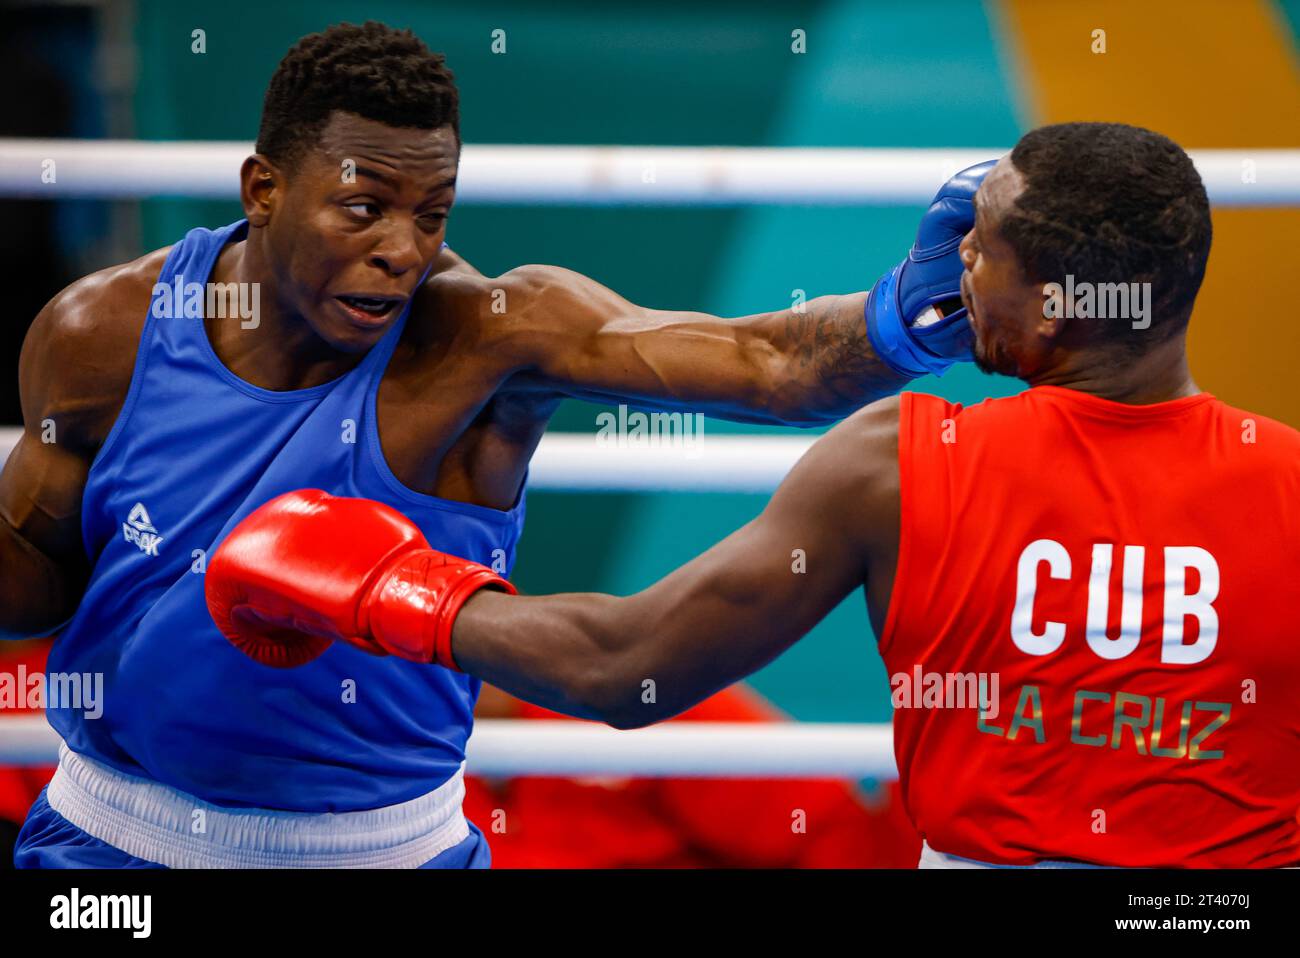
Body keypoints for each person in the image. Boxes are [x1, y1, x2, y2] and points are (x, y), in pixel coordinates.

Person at [0, 21, 984, 868]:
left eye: (431, 215)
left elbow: (764, 362)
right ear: (263, 188)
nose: (402, 249)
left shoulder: (486, 337)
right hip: (107, 845)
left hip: (385, 846)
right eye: (362, 207)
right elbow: (34, 587)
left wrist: (908, 313)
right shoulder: (103, 331)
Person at [216, 122, 1300, 868]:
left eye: (984, 248)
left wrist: (400, 593)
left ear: (1058, 309)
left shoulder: (898, 461)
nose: (957, 259)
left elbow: (620, 670)